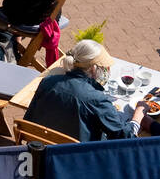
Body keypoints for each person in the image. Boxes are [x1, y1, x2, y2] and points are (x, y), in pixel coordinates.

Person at [24, 40, 152, 143]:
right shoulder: (96, 99)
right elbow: (126, 137)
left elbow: (30, 116)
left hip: (39, 147)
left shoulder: (48, 81)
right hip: (75, 157)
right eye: (104, 68)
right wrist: (138, 116)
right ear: (93, 69)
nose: (106, 71)